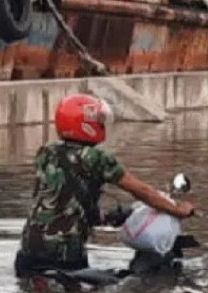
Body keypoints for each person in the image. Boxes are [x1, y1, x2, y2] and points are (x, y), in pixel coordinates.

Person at [15, 94, 195, 278]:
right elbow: (141, 191)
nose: (102, 125)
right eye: (98, 121)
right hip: (66, 253)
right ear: (84, 124)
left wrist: (106, 217)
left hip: (29, 250)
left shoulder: (45, 153)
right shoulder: (97, 158)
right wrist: (178, 210)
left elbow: (63, 199)